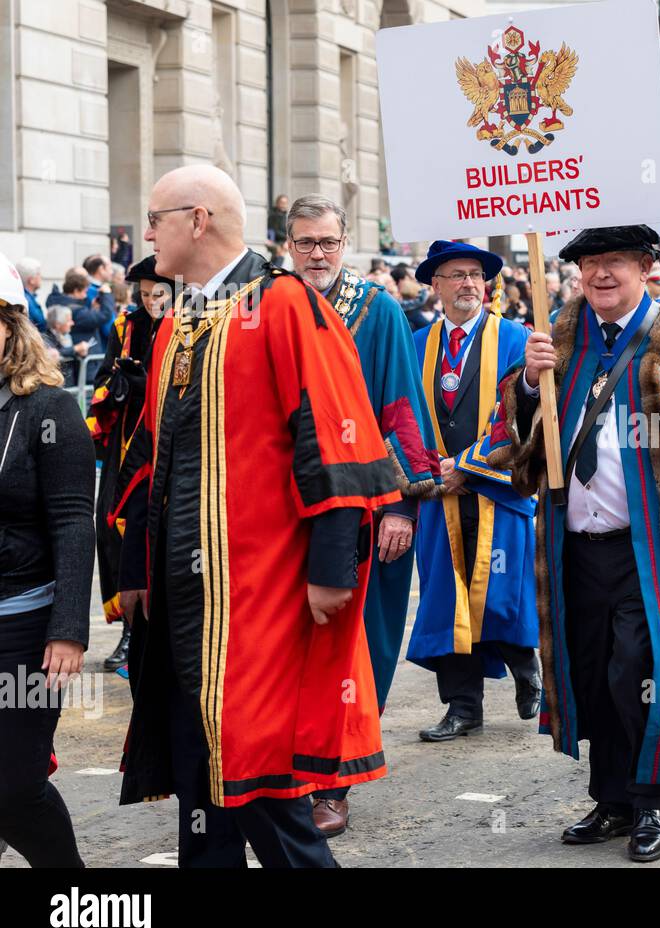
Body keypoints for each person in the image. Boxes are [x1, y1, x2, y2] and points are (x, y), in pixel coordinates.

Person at [111, 165, 398, 867]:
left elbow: (335, 434)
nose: (147, 234)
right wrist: (136, 571)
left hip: (259, 597)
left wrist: (332, 568)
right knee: (198, 783)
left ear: (198, 219)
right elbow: (148, 458)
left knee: (264, 788)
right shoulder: (177, 322)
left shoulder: (286, 304)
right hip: (185, 600)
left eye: (156, 218)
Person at [487, 224, 660, 862]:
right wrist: (529, 384)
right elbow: (524, 438)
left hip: (652, 550)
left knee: (639, 670)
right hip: (573, 546)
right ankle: (609, 798)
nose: (601, 274)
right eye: (590, 263)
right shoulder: (558, 335)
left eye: (615, 262)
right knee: (591, 669)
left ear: (645, 268)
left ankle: (651, 804)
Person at [286, 193, 438, 837]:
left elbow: (402, 404)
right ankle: (286, 772)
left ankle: (335, 780)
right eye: (305, 242)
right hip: (288, 506)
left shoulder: (375, 309)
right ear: (287, 244)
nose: (317, 254)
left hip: (366, 506)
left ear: (344, 245)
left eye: (328, 243)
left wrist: (402, 504)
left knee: (355, 648)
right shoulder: (267, 303)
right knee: (290, 644)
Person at [405, 240, 540, 744]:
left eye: (475, 276)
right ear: (435, 286)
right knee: (447, 601)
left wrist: (467, 465)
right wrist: (427, 469)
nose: (467, 284)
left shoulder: (514, 340)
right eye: (455, 275)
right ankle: (462, 706)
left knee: (500, 595)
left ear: (487, 285)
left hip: (495, 490)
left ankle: (526, 666)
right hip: (438, 494)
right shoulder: (415, 344)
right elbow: (404, 417)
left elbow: (520, 416)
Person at [0, 259, 96, 866]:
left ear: (11, 326)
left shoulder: (49, 410)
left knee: (14, 784)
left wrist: (67, 629)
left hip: (24, 626)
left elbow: (71, 523)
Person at [85, 256, 172, 672]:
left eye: (158, 293)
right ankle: (128, 630)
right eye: (144, 293)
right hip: (125, 449)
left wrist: (152, 384)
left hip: (163, 449)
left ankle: (158, 630)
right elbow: (101, 380)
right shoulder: (127, 326)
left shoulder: (188, 325)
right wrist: (120, 386)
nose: (150, 300)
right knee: (113, 531)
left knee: (155, 536)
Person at [39, 305, 88, 385]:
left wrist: (81, 355)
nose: (72, 323)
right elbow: (54, 353)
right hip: (58, 385)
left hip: (71, 385)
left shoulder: (67, 337)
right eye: (69, 320)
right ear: (58, 324)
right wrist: (75, 349)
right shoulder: (45, 339)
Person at [15, 258, 45, 332]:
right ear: (31, 280)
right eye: (38, 274)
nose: (41, 277)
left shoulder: (27, 298)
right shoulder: (26, 301)